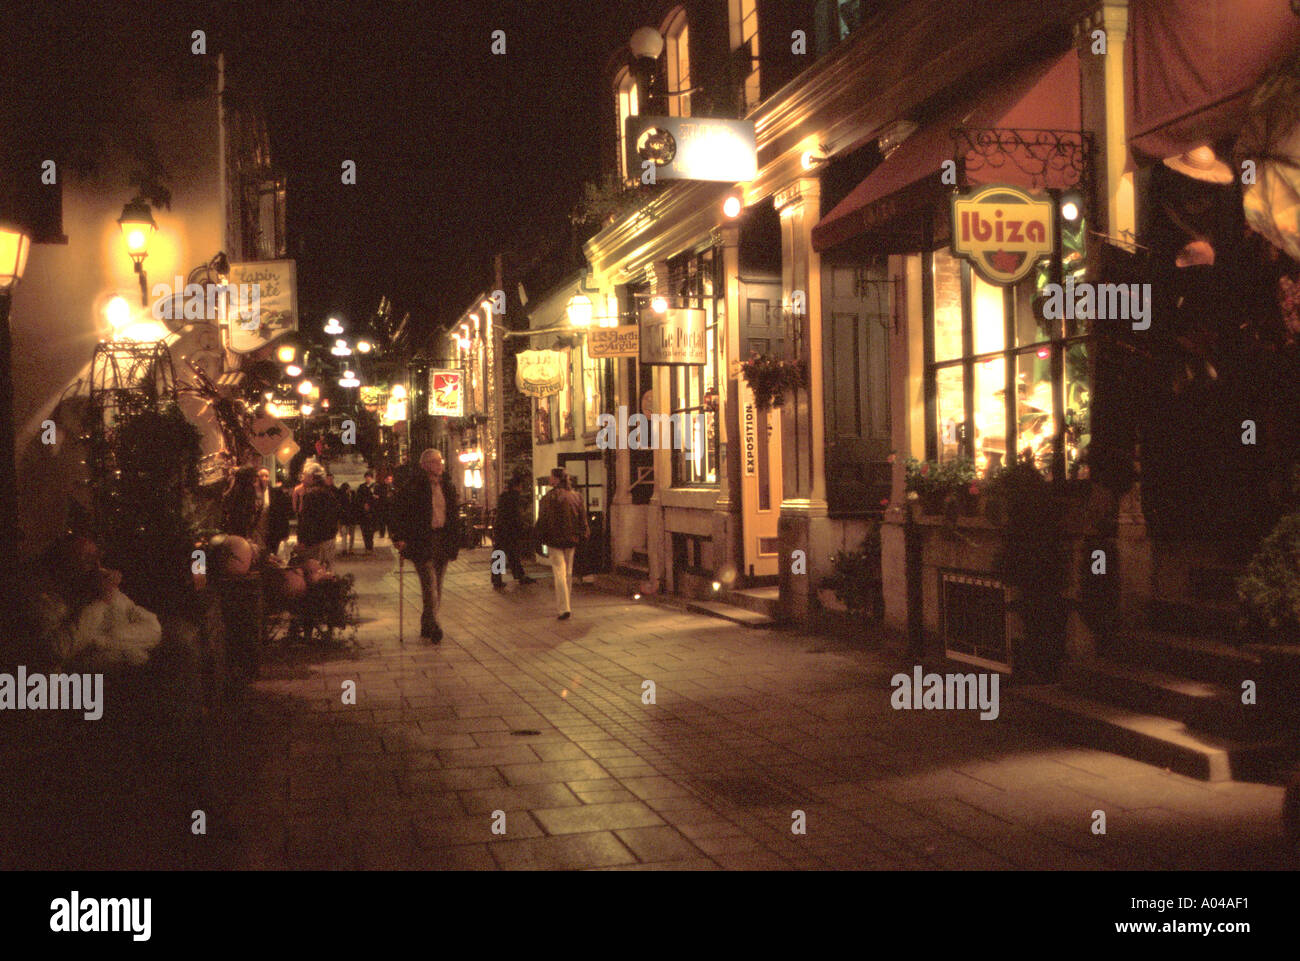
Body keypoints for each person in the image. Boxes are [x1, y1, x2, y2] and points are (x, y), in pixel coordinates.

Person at [390, 449, 461, 643]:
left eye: (440, 461)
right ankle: (435, 625)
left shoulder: (447, 486)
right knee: (430, 585)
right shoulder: (413, 487)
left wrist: (456, 539)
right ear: (425, 465)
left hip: (442, 540)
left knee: (437, 584)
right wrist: (398, 537)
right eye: (435, 462)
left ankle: (426, 624)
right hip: (422, 540)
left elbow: (453, 515)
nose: (440, 465)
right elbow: (398, 513)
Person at [535, 467, 588, 620]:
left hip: (554, 540)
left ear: (556, 479)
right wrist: (583, 535)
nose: (549, 479)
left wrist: (538, 539)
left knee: (559, 573)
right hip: (571, 539)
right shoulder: (576, 497)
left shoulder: (548, 498)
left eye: (551, 477)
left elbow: (542, 520)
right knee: (569, 572)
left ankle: (564, 608)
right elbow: (582, 519)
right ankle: (567, 604)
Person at [491, 470, 536, 589]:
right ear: (518, 486)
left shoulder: (503, 497)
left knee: (499, 554)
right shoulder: (515, 498)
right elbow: (517, 515)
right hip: (511, 530)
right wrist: (521, 527)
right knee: (513, 554)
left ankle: (497, 579)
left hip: (501, 529)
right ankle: (519, 576)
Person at [296, 462, 340, 564]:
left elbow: (308, 521)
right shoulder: (329, 493)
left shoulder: (312, 495)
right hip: (328, 540)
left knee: (315, 572)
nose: (302, 478)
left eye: (304, 475)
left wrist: (303, 541)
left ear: (312, 477)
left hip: (315, 543)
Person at [221, 465, 264, 545]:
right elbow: (250, 509)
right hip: (244, 526)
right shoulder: (249, 489)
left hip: (233, 525)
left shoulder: (233, 490)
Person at [265, 473, 293, 558]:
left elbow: (283, 513)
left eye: (266, 476)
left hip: (274, 530)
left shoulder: (275, 493)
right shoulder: (251, 494)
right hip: (267, 530)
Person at [355, 470, 378, 553]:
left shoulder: (375, 487)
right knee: (364, 530)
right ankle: (367, 546)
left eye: (369, 477)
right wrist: (363, 505)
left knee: (371, 530)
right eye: (366, 477)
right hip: (363, 513)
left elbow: (379, 499)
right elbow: (358, 499)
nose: (367, 479)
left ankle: (370, 546)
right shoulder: (361, 487)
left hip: (372, 512)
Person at [337, 482, 356, 554]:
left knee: (351, 535)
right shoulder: (341, 497)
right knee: (345, 534)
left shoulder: (353, 495)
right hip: (344, 518)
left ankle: (350, 549)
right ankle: (344, 549)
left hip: (351, 517)